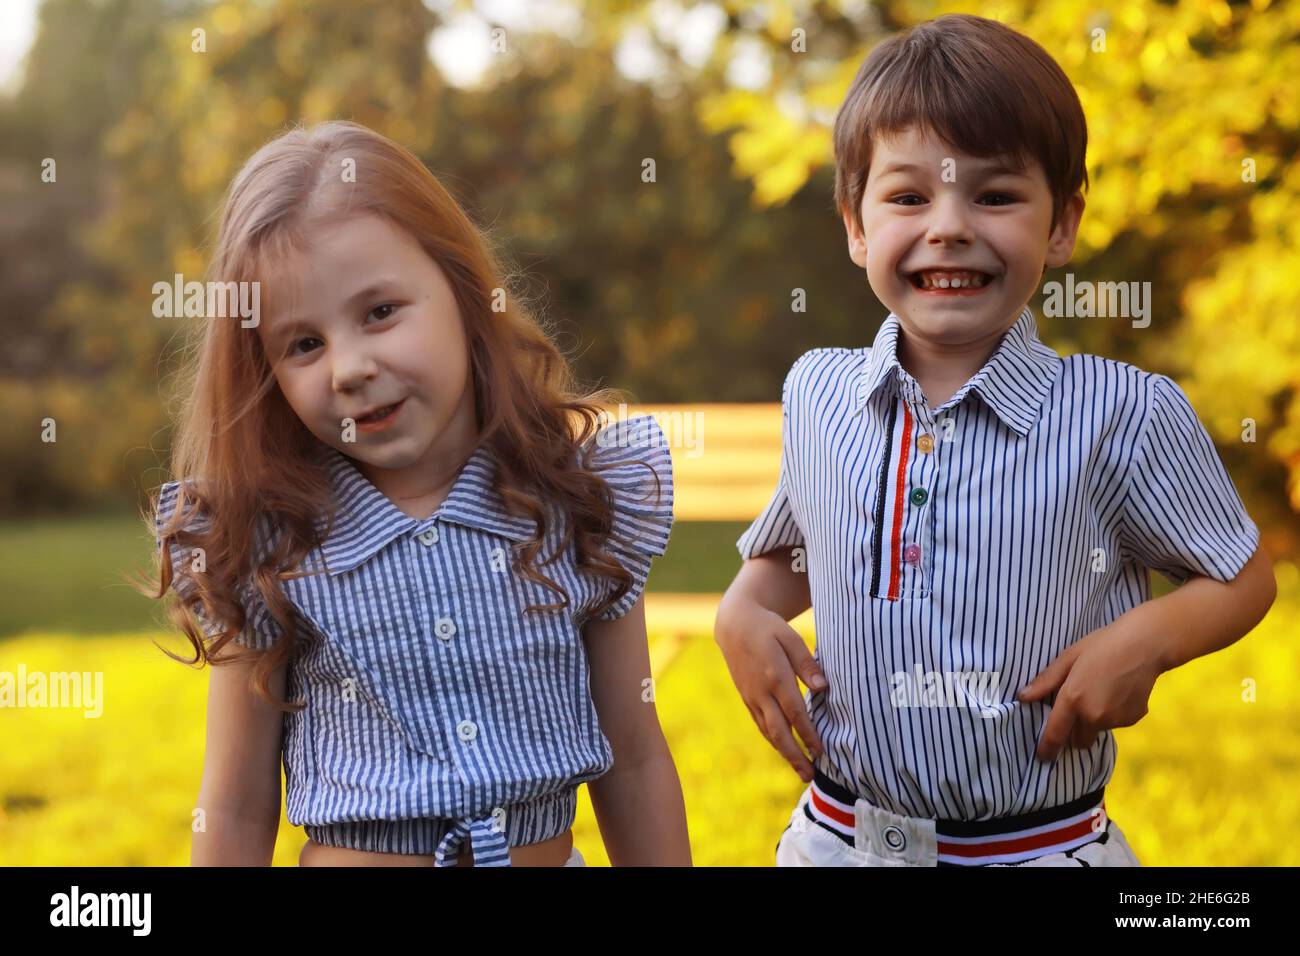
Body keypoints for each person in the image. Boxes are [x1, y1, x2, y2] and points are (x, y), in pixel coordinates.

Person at [714, 14, 1276, 867]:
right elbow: (805, 548)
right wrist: (742, 611)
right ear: (855, 224)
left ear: (1061, 224)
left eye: (995, 194)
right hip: (840, 840)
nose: (949, 225)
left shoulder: (1119, 414)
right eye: (908, 196)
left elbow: (1242, 577)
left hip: (1038, 847)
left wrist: (1145, 642)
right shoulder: (819, 395)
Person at [149, 120, 690, 867]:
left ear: (465, 295)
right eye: (304, 344)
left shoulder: (576, 503)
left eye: (379, 313)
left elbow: (633, 761)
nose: (349, 368)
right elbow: (236, 808)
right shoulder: (270, 540)